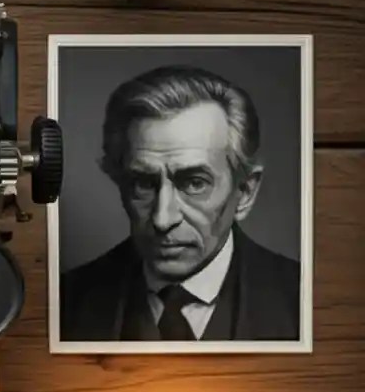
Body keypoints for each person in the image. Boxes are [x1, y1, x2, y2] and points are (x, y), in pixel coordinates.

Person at [59, 65, 301, 342]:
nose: (163, 218)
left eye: (194, 183)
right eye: (144, 184)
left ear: (245, 192)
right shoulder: (64, 304)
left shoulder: (306, 301)